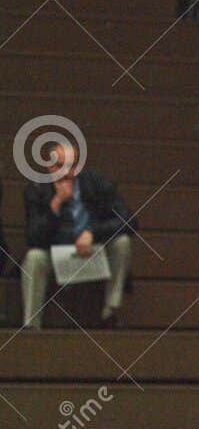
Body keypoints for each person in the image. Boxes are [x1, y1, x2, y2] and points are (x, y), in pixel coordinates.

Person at [21, 139, 135, 329]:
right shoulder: (37, 189)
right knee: (34, 257)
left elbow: (128, 220)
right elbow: (34, 238)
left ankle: (110, 312)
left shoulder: (96, 182)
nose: (66, 173)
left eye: (71, 166)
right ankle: (31, 325)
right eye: (59, 166)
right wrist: (56, 204)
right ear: (49, 166)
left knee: (122, 242)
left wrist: (93, 233)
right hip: (55, 254)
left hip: (92, 251)